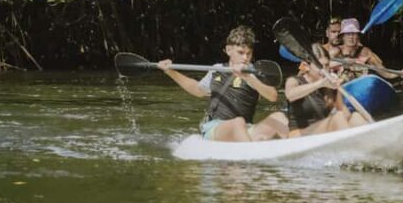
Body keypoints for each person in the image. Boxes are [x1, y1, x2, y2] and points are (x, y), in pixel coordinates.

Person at [157, 26, 288, 142]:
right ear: (229, 50)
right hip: (214, 128)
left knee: (279, 117)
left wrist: (248, 77)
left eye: (249, 54)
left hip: (245, 129)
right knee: (238, 123)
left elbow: (273, 96)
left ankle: (295, 149)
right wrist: (170, 71)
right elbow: (197, 90)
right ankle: (249, 156)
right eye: (241, 53)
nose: (245, 58)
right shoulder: (217, 69)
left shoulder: (253, 72)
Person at [285, 43, 367, 137]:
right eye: (320, 66)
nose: (324, 70)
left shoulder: (329, 86)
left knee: (356, 118)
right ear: (306, 66)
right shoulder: (293, 81)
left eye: (327, 65)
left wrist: (338, 89)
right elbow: (290, 95)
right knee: (338, 117)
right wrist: (320, 84)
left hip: (321, 134)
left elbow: (345, 114)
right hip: (298, 135)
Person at [329, 18, 403, 82]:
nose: (351, 37)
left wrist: (400, 73)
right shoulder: (335, 51)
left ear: (358, 36)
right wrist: (343, 62)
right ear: (342, 36)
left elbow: (386, 73)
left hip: (359, 86)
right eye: (348, 34)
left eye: (354, 34)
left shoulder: (366, 53)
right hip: (340, 85)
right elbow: (320, 66)